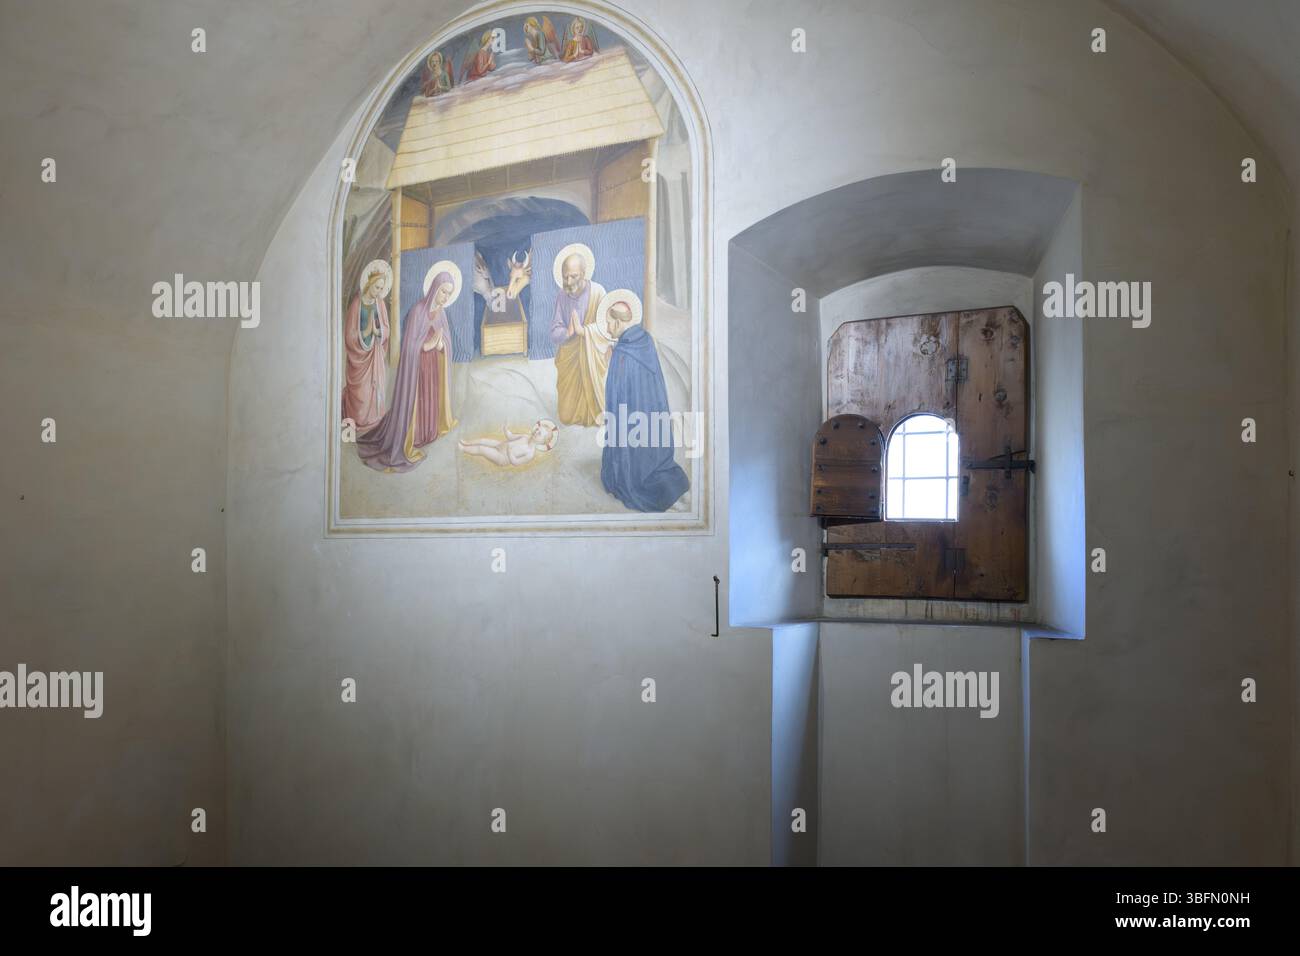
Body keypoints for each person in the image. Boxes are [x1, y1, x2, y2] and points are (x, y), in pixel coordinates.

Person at [357, 267, 459, 472]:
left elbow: (446, 342)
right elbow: (409, 347)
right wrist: (426, 346)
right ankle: (415, 434)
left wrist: (441, 347)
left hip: (433, 370)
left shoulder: (442, 313)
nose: (445, 297)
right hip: (417, 369)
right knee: (418, 399)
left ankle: (429, 431)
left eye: (449, 293)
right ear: (434, 288)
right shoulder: (418, 311)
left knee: (430, 397)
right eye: (443, 291)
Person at [599, 292, 689, 512]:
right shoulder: (645, 340)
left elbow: (616, 394)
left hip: (631, 423)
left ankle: (654, 488)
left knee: (636, 473)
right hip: (652, 416)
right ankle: (672, 491)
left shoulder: (622, 352)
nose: (608, 327)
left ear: (619, 322)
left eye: (610, 322)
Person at [549, 244, 608, 426]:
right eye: (565, 276)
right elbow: (554, 331)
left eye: (573, 276)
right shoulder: (562, 295)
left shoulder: (598, 292)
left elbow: (607, 328)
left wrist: (585, 332)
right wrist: (568, 332)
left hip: (593, 357)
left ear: (584, 273)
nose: (569, 281)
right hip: (570, 357)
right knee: (566, 417)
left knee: (599, 413)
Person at [342, 261, 390, 433]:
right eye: (377, 287)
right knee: (361, 392)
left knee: (375, 387)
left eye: (381, 288)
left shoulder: (380, 303)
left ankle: (374, 420)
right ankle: (359, 422)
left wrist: (378, 331)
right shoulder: (357, 303)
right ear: (369, 284)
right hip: (359, 357)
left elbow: (386, 329)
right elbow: (349, 335)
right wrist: (366, 331)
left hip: (375, 355)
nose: (378, 292)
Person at [458, 420, 558, 467]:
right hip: (500, 444)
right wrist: (506, 430)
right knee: (483, 440)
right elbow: (511, 437)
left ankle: (463, 448)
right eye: (537, 430)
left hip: (502, 457)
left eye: (539, 433)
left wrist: (509, 452)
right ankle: (466, 443)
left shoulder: (529, 453)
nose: (536, 432)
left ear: (542, 442)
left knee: (481, 449)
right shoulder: (525, 436)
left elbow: (515, 463)